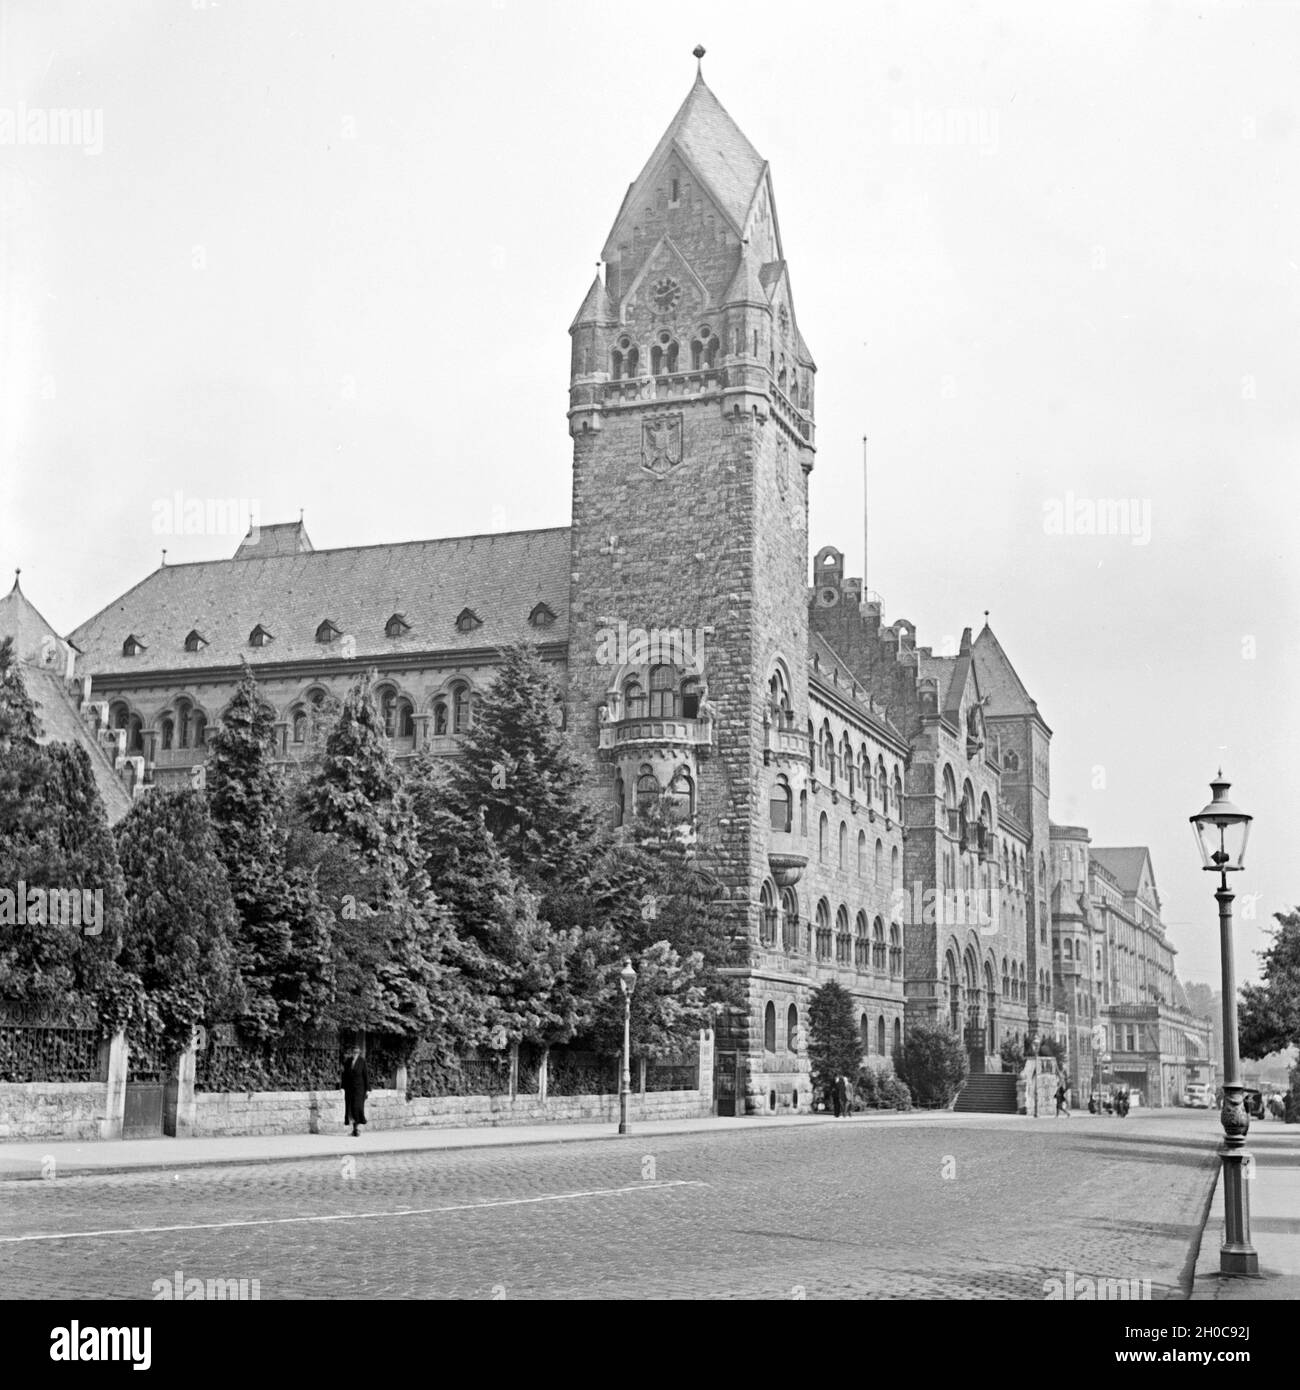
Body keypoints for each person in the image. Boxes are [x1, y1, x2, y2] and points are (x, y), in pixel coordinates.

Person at [342, 1044, 369, 1137]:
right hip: (349, 1089)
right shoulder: (348, 1061)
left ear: (359, 1053)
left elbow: (365, 1075)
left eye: (357, 1052)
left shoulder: (362, 1062)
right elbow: (344, 1075)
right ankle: (354, 1129)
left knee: (357, 1107)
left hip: (360, 1089)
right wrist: (342, 1087)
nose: (355, 1054)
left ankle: (357, 1128)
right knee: (350, 1108)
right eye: (353, 1052)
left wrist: (368, 1089)